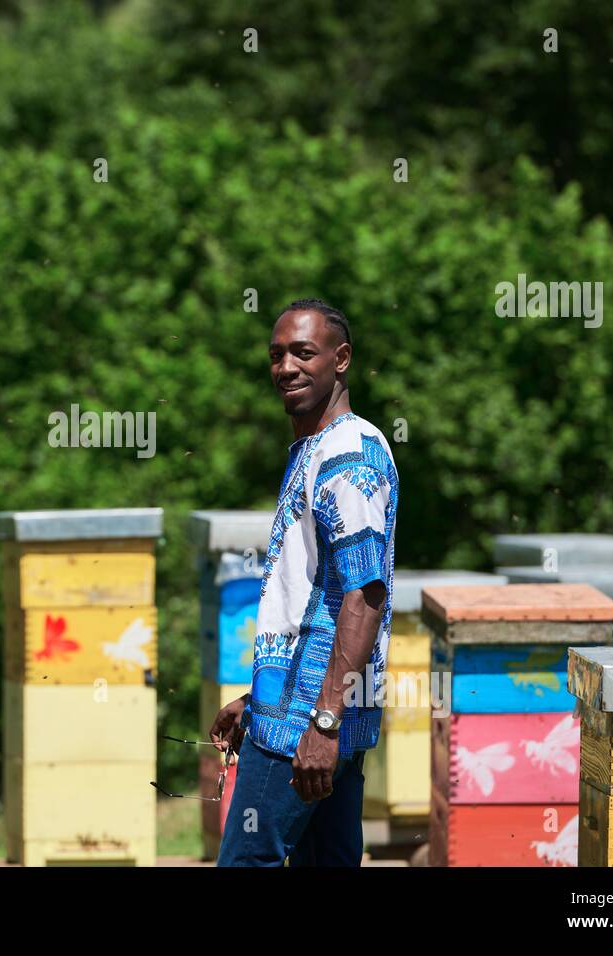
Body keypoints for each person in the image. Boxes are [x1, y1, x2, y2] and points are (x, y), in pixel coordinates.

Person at [212, 298, 399, 867]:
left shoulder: (348, 456)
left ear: (340, 359)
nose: (286, 367)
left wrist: (320, 723)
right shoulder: (316, 450)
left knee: (247, 862)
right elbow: (311, 598)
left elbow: (364, 595)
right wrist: (258, 697)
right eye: (276, 354)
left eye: (303, 353)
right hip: (304, 711)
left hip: (305, 723)